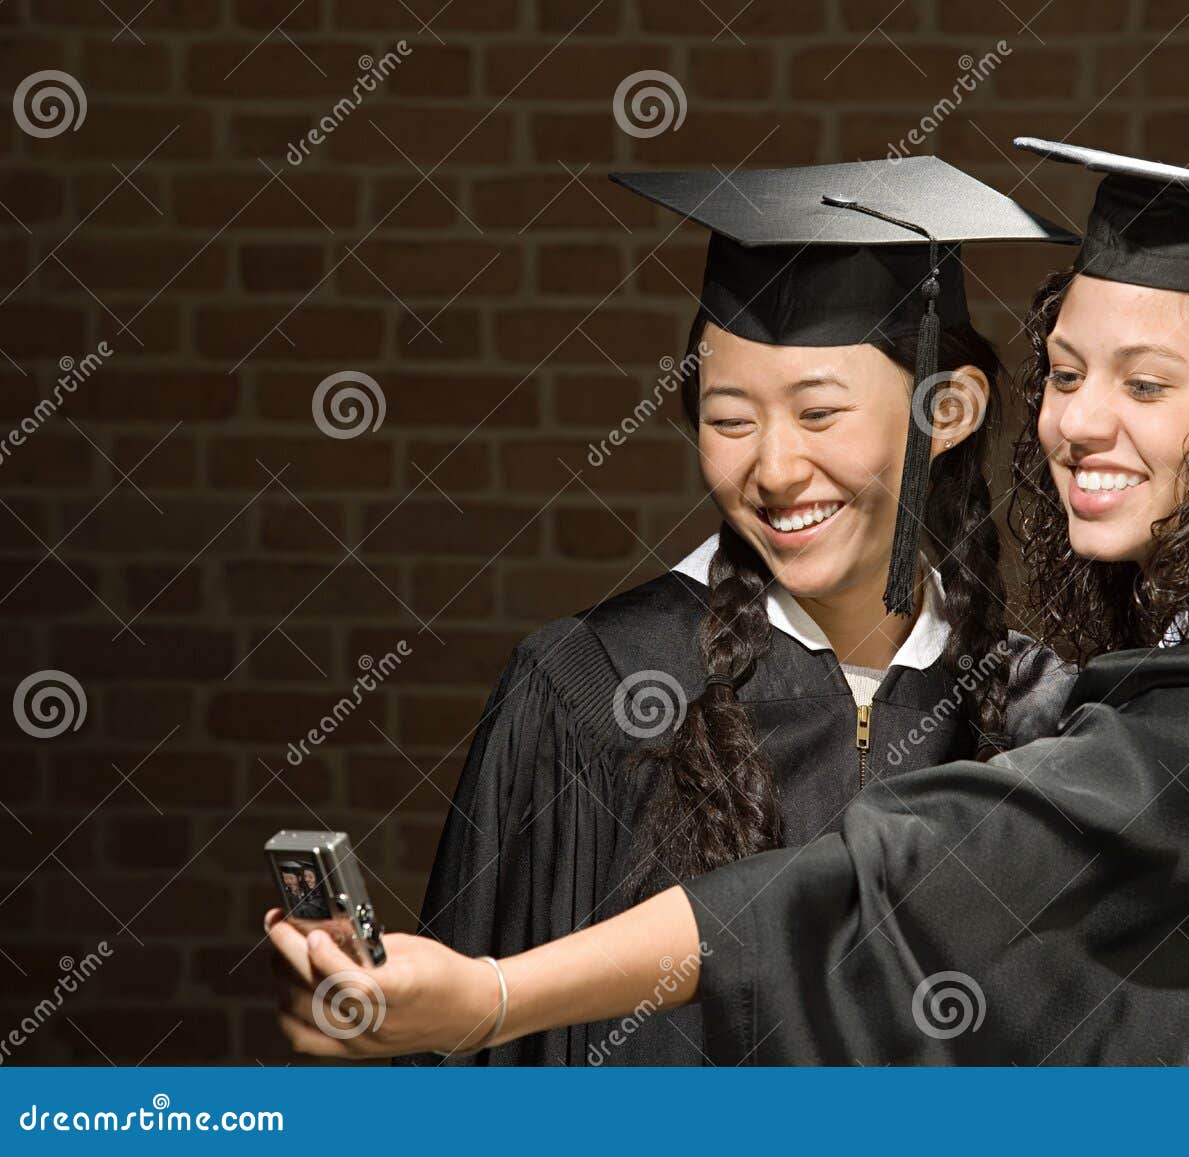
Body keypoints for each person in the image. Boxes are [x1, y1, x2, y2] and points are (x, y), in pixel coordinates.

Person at [268, 144, 1189, 1066]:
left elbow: (942, 875)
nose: (1080, 423)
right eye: (1066, 372)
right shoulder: (582, 688)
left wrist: (498, 993)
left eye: (1145, 383)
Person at [388, 157, 1079, 1065]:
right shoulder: (595, 690)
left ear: (946, 410)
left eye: (819, 412)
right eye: (729, 418)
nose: (776, 467)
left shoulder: (1037, 713)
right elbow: (486, 1072)